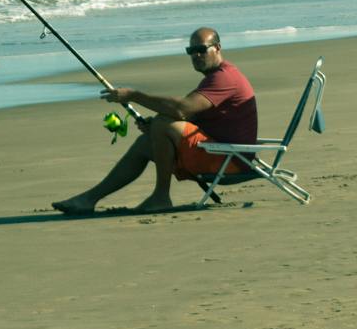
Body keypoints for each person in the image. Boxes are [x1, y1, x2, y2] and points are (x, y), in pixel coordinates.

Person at [53, 26, 257, 216]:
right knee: (146, 141)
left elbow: (182, 109)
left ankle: (161, 197)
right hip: (219, 153)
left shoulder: (225, 78)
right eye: (191, 50)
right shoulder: (216, 77)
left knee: (163, 123)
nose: (196, 55)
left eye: (201, 49)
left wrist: (134, 95)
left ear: (218, 48)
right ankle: (88, 199)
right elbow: (189, 115)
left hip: (231, 162)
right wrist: (154, 129)